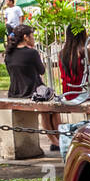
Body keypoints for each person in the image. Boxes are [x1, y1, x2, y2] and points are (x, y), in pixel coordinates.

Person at [5, 23, 58, 152]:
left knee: (49, 108)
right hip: (32, 92)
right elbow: (42, 71)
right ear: (26, 37)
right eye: (32, 35)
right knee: (51, 109)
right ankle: (55, 141)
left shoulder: (8, 54)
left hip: (15, 92)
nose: (33, 38)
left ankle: (56, 141)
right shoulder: (32, 53)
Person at [58, 25, 90, 98]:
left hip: (68, 94)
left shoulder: (61, 53)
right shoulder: (86, 52)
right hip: (87, 93)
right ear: (83, 36)